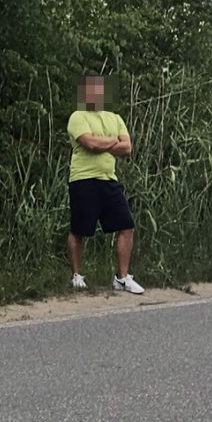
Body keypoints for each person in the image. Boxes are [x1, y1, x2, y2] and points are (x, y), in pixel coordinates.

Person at [67, 74, 144, 294]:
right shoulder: (78, 116)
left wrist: (104, 143)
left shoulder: (115, 118)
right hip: (83, 179)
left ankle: (121, 278)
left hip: (109, 180)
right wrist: (113, 141)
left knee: (126, 226)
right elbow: (89, 143)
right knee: (79, 229)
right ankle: (76, 276)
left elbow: (127, 148)